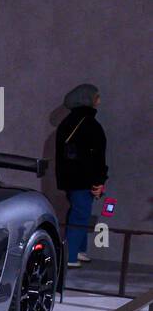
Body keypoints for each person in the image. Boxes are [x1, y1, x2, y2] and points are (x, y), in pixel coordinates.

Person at [54, 83, 107, 268]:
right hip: (85, 179)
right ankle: (71, 255)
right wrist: (100, 180)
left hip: (71, 179)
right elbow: (97, 156)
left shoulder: (68, 122)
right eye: (96, 96)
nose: (98, 99)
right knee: (80, 214)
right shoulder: (89, 124)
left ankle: (79, 250)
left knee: (79, 212)